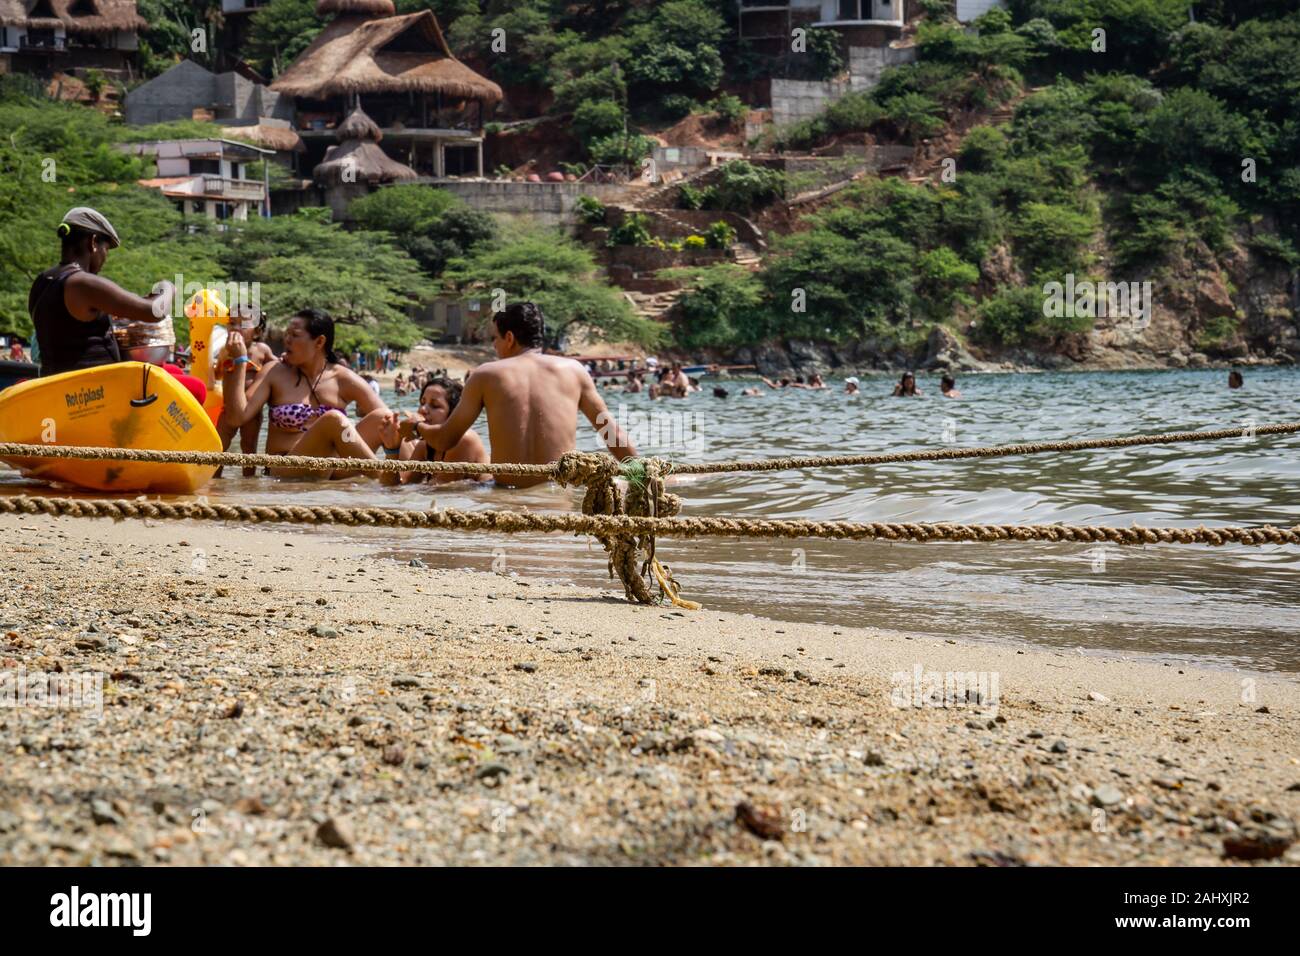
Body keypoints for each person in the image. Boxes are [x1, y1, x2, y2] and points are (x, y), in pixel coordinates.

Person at [402, 302, 635, 488]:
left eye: (495, 338)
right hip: (557, 495)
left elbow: (445, 439)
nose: (494, 345)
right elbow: (610, 432)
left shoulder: (486, 375)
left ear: (510, 338)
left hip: (508, 498)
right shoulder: (574, 371)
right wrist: (640, 472)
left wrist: (416, 428)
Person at [220, 308, 393, 479]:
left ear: (319, 342)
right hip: (286, 469)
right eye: (287, 334)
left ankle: (404, 478)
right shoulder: (275, 372)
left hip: (334, 469)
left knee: (384, 417)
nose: (286, 340)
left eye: (294, 335)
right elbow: (237, 417)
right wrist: (240, 361)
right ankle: (386, 479)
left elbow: (390, 425)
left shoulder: (342, 377)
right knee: (334, 420)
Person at [29, 207, 175, 377]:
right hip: (93, 392)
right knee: (197, 388)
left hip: (58, 384)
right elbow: (154, 310)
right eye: (106, 249)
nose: (105, 258)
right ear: (93, 242)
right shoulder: (83, 284)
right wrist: (167, 287)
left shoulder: (42, 281)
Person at [379, 377, 489, 485]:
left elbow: (439, 488)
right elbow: (399, 484)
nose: (423, 409)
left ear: (454, 414)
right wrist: (392, 451)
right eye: (422, 403)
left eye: (435, 405)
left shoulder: (464, 439)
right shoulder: (425, 445)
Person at [216, 307, 278, 477]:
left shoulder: (261, 350)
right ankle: (214, 479)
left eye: (242, 324)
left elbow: (277, 366)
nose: (235, 328)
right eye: (232, 323)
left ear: (257, 332)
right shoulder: (225, 350)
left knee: (249, 447)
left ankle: (248, 480)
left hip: (252, 409)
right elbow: (218, 373)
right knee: (218, 446)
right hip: (228, 408)